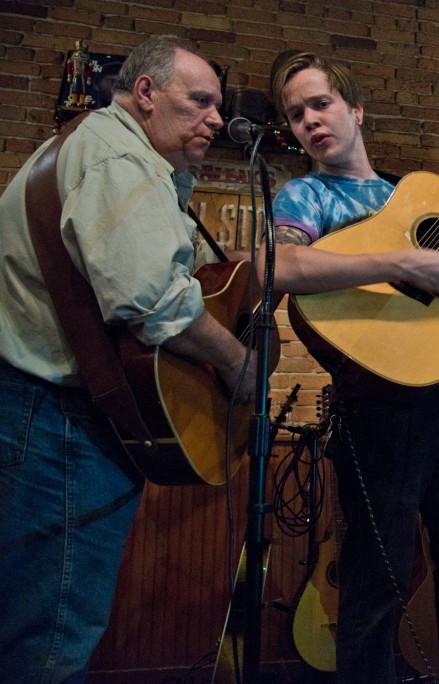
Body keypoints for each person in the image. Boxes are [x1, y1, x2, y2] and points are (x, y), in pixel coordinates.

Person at [262, 53, 439, 683]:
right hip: (377, 407)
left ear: (355, 110)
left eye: (321, 104)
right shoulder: (305, 195)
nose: (310, 120)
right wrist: (399, 265)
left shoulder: (409, 195)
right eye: (296, 113)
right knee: (376, 578)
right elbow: (283, 268)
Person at [0, 35, 257, 683]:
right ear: (146, 93)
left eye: (218, 106)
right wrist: (237, 364)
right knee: (52, 632)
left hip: (38, 413)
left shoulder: (100, 148)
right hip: (59, 422)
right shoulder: (120, 156)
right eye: (199, 101)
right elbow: (155, 302)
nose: (217, 118)